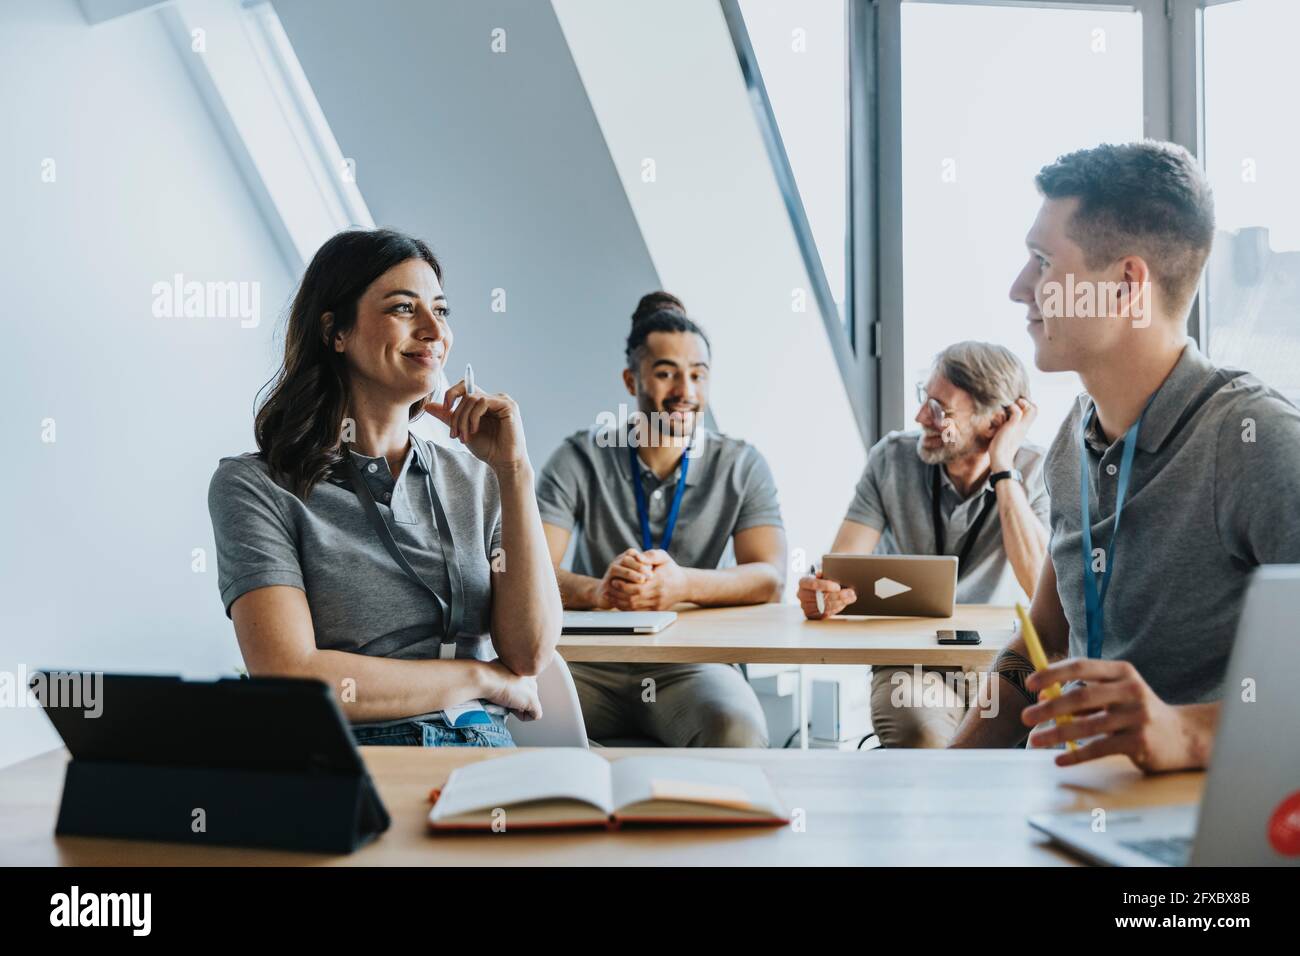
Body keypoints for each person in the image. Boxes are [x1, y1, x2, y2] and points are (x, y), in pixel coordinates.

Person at [950, 140, 1300, 771]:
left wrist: (1188, 733)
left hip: (1197, 831)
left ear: (1126, 285)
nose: (1017, 289)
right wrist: (944, 777)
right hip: (1073, 800)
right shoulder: (1073, 438)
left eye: (1041, 262)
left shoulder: (1252, 439)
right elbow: (1041, 643)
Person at [208, 228, 561, 747]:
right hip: (350, 760)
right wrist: (479, 678)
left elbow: (530, 654)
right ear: (336, 332)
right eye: (403, 308)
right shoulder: (255, 486)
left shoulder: (478, 476)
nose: (432, 330)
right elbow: (291, 674)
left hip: (481, 754)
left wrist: (515, 471)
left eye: (440, 311)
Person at [535, 292, 785, 747]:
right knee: (507, 719)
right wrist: (599, 591)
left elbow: (770, 577)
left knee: (740, 734)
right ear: (632, 381)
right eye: (667, 373)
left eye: (697, 375)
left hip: (692, 662)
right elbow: (533, 573)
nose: (685, 392)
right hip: (591, 660)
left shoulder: (742, 464)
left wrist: (682, 586)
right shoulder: (579, 457)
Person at [797, 342, 1049, 747]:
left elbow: (1039, 581)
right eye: (923, 399)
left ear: (995, 422)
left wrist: (1003, 468)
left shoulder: (1035, 469)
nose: (919, 417)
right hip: (912, 663)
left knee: (1036, 744)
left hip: (1004, 661)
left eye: (939, 408)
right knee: (921, 733)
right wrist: (821, 593)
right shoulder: (892, 460)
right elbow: (842, 566)